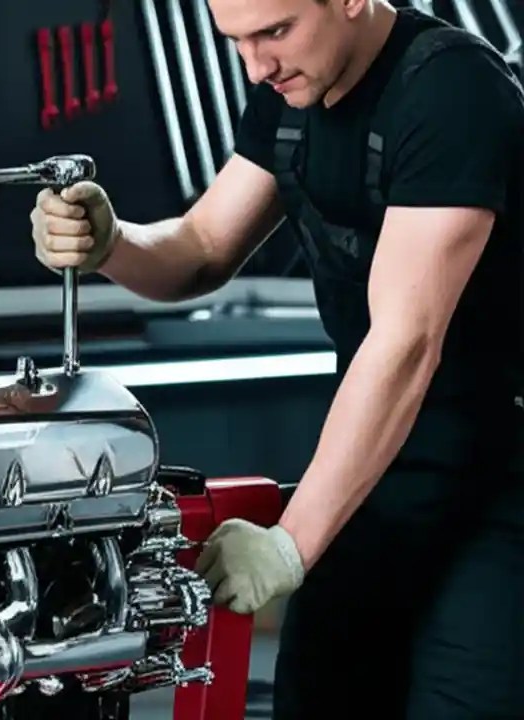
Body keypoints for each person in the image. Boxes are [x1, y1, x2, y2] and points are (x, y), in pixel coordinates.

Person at [31, 0, 524, 717]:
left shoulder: (453, 91)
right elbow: (200, 252)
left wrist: (289, 545)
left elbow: (405, 343)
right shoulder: (290, 92)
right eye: (235, 42)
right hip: (374, 474)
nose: (256, 65)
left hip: (498, 488)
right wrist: (112, 245)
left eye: (275, 32)